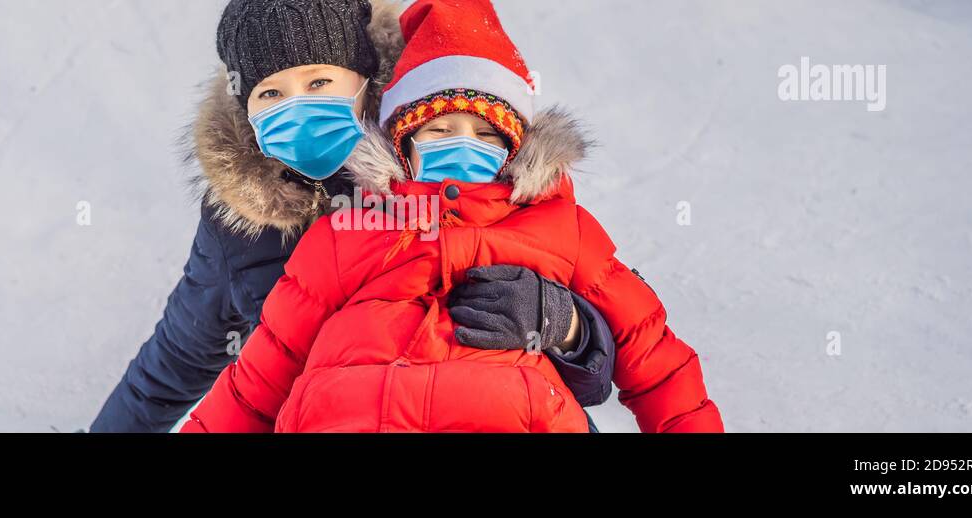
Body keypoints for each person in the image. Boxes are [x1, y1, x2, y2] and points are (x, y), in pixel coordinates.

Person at [180, 0, 723, 433]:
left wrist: (565, 323)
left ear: (514, 149)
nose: (463, 146)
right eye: (439, 130)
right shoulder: (348, 232)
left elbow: (655, 357)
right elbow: (255, 383)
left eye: (487, 133)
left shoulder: (558, 228)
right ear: (403, 146)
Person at [91, 0, 616, 433]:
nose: (298, 107)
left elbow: (610, 341)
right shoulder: (242, 230)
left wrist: (562, 323)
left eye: (319, 82)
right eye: (271, 93)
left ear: (369, 78)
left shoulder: (451, 153)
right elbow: (178, 359)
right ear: (245, 110)